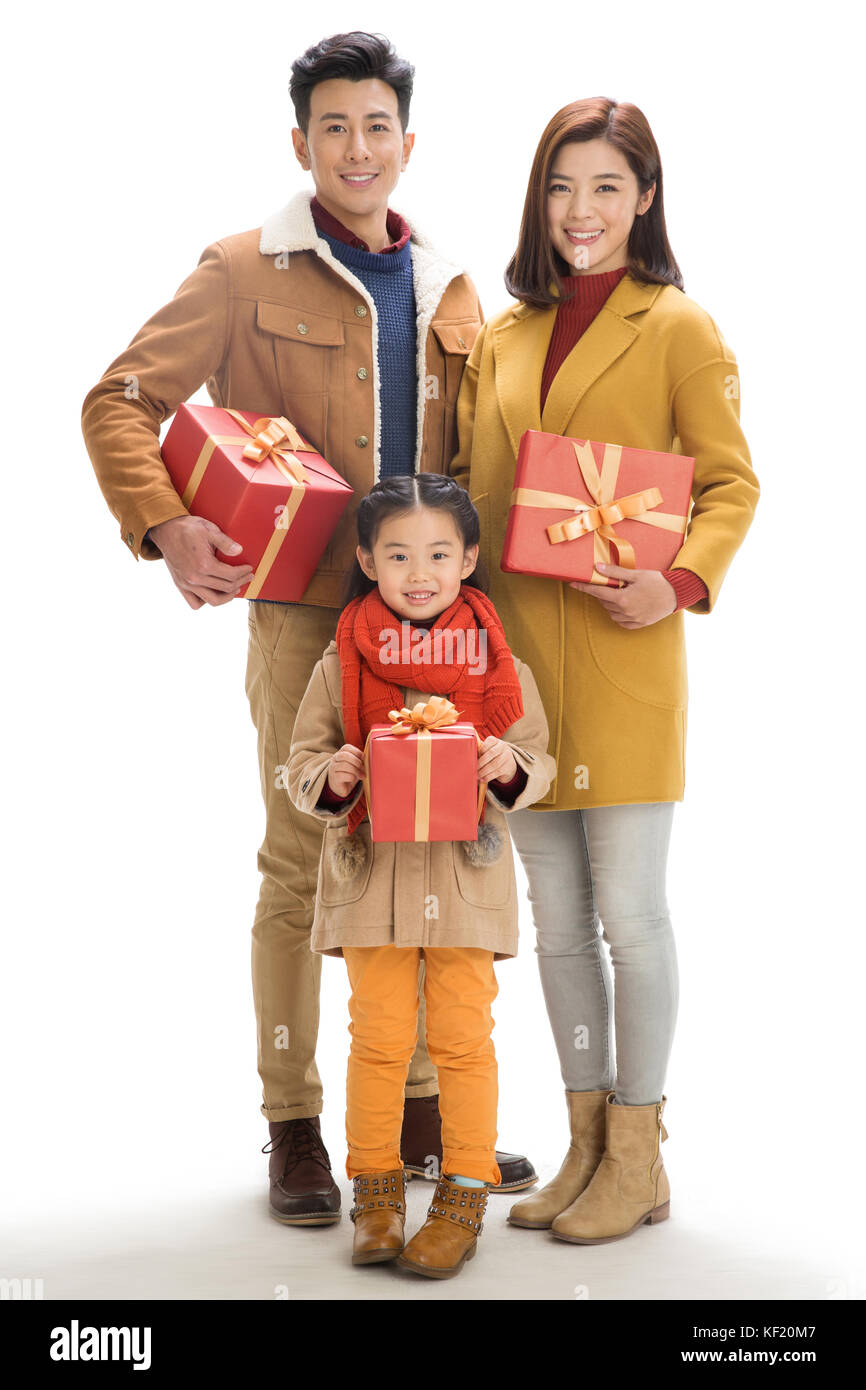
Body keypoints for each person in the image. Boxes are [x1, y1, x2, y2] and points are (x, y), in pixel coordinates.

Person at [79, 30, 536, 1228]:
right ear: (301, 143)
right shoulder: (241, 270)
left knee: (430, 843)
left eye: (375, 126)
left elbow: (475, 458)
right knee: (302, 859)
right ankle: (294, 1125)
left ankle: (430, 1111)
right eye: (331, 126)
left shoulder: (449, 285)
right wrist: (166, 525)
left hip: (427, 615)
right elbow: (120, 401)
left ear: (405, 142)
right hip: (298, 616)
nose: (355, 147)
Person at [447, 97, 760, 1244]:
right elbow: (480, 506)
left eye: (606, 189)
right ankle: (583, 1143)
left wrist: (673, 582)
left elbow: (730, 484)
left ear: (643, 199)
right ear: (540, 199)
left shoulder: (679, 327)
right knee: (558, 921)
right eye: (561, 188)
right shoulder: (506, 337)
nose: (581, 212)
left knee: (630, 917)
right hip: (518, 678)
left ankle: (638, 1148)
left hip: (628, 659)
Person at [286, 474, 556, 1277]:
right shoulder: (342, 661)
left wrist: (509, 765)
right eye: (398, 554)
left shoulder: (498, 662)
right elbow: (300, 762)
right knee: (377, 1040)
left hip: (467, 888)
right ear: (367, 559)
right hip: (373, 885)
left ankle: (463, 1199)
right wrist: (332, 775)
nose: (419, 571)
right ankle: (374, 1196)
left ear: (469, 558)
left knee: (465, 1041)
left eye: (439, 552)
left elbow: (538, 759)